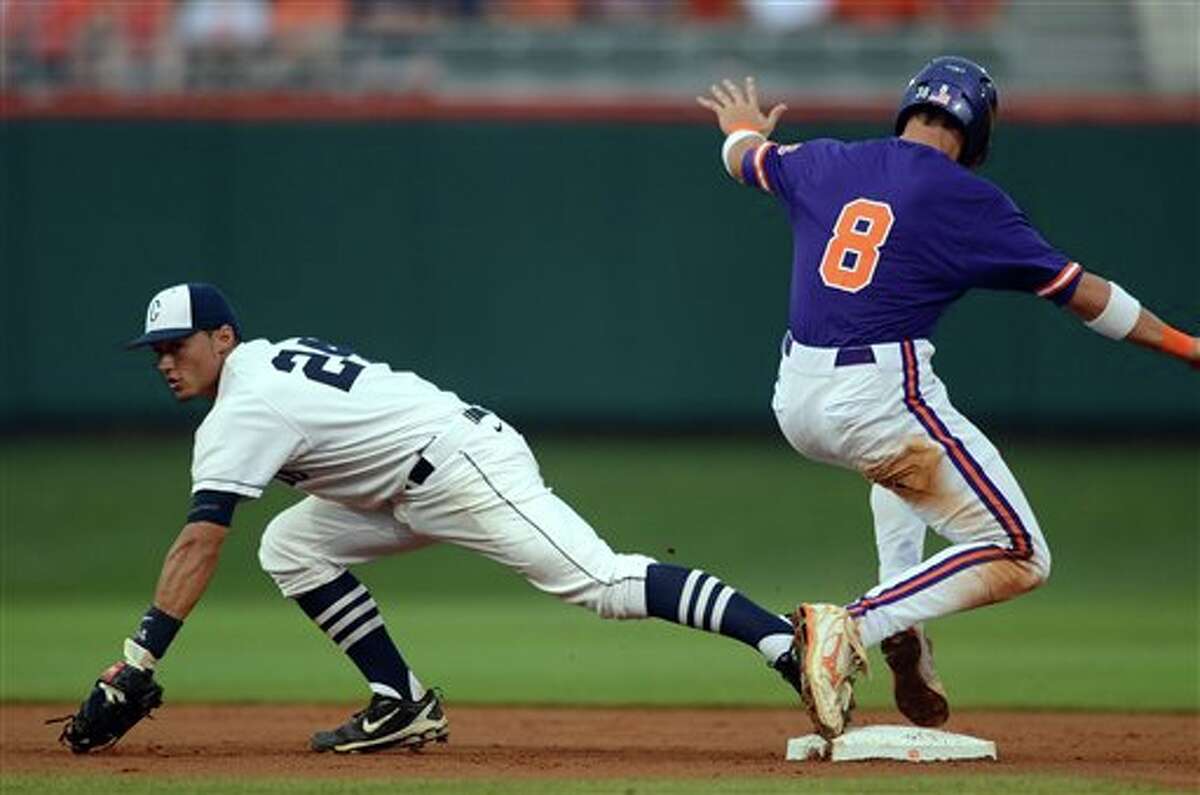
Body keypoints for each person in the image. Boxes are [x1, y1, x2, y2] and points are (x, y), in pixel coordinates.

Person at [58, 281, 855, 755]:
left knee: (598, 582)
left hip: (460, 465)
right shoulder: (263, 362)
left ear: (222, 336)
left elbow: (200, 540)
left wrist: (136, 662)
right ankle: (399, 699)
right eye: (155, 350)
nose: (166, 360)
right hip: (403, 483)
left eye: (178, 344)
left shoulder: (243, 403)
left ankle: (788, 640)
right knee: (292, 542)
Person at [697, 57, 1198, 736]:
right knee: (1020, 550)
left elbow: (746, 158)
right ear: (978, 133)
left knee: (902, 466)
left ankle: (909, 620)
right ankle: (857, 623)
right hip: (875, 391)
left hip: (796, 399)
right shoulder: (968, 199)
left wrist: (739, 130)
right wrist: (1185, 346)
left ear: (907, 109)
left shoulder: (824, 159)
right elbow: (1084, 292)